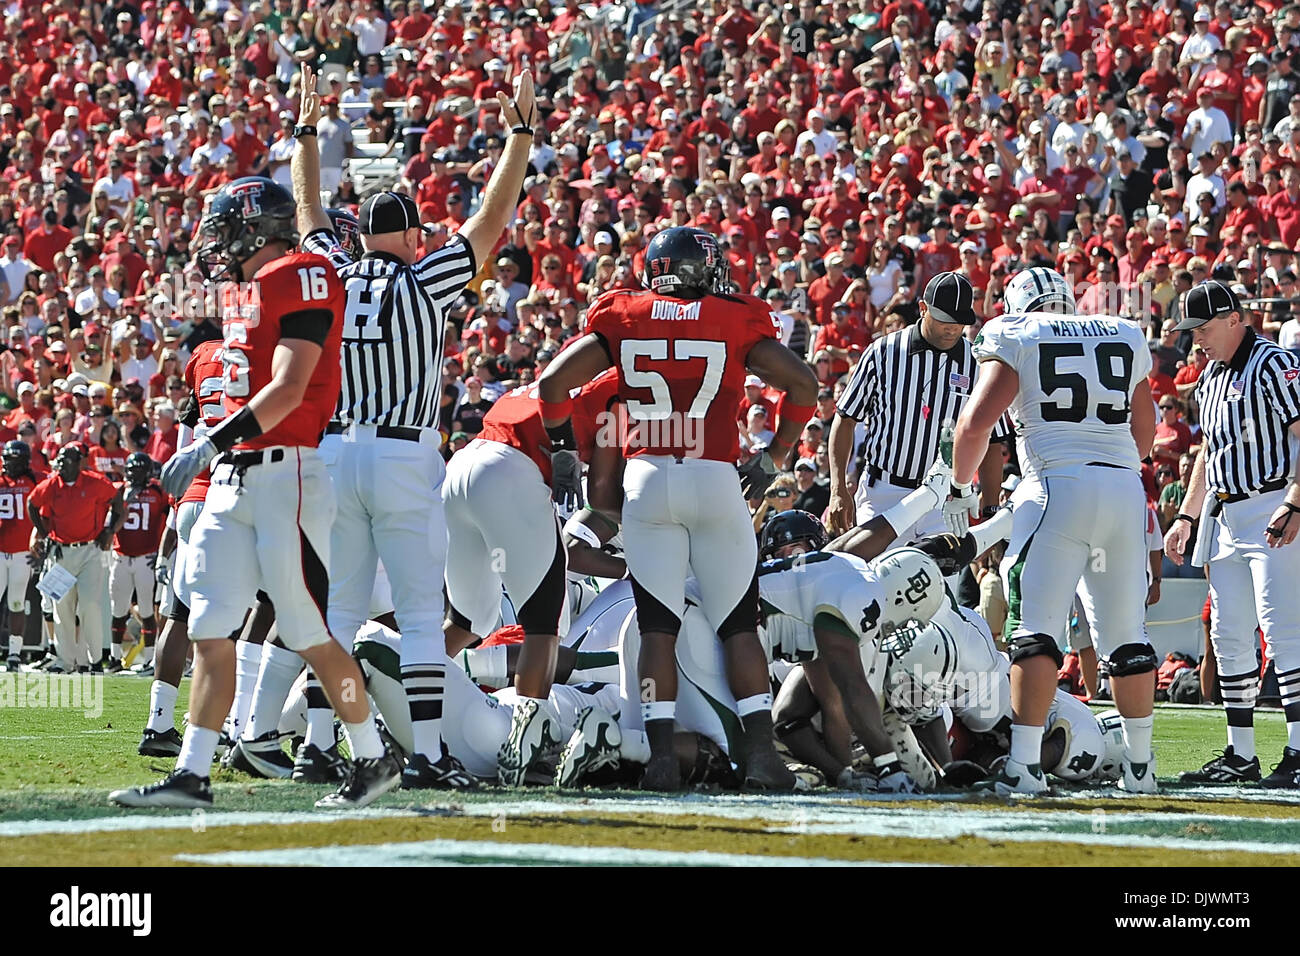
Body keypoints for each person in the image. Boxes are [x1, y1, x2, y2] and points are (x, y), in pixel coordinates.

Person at [111, 176, 398, 811]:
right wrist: (216, 449)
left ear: (257, 226)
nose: (216, 243)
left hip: (286, 475)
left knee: (310, 632)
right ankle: (191, 773)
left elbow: (291, 387)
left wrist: (207, 443)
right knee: (211, 626)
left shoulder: (302, 273)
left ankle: (373, 760)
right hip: (233, 480)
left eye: (223, 228)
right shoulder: (247, 289)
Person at [293, 65, 536, 788]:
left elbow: (309, 211)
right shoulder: (424, 278)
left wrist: (305, 131)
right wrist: (520, 135)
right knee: (422, 614)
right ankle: (427, 754)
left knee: (336, 609)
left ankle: (320, 741)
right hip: (403, 455)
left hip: (337, 454)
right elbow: (491, 221)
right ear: (411, 237)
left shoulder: (334, 269)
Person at [536, 224, 819, 792]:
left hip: (647, 479)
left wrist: (567, 452)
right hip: (713, 475)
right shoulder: (735, 316)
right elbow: (804, 385)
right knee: (738, 624)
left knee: (657, 627)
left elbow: (552, 383)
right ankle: (763, 756)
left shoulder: (625, 315)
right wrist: (776, 455)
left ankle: (662, 756)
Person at [950, 265, 1159, 795]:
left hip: (1054, 488)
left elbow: (976, 423)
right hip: (1122, 492)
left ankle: (1024, 765)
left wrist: (956, 484)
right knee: (1126, 635)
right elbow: (1145, 431)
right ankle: (1140, 769)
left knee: (1035, 628)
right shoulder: (1122, 331)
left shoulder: (1015, 332)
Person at [1166, 280, 1300, 789]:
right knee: (1228, 636)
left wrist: (1295, 502)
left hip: (1273, 505)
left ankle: (1298, 753)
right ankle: (1241, 754)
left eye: (1202, 327)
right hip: (1225, 515)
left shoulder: (1272, 364)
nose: (1196, 338)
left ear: (1233, 318)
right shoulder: (1208, 378)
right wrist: (1186, 515)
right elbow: (1208, 453)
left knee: (1284, 631)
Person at [828, 271, 1009, 537]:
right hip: (886, 494)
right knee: (878, 576)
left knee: (940, 578)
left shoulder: (978, 364)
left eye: (959, 322)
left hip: (944, 499)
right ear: (923, 309)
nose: (952, 328)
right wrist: (838, 488)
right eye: (944, 320)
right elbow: (845, 419)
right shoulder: (884, 352)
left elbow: (993, 439)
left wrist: (991, 508)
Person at [28, 443, 124, 672]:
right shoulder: (52, 483)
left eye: (66, 461)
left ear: (78, 462)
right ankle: (65, 660)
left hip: (90, 550)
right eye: (59, 461)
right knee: (62, 607)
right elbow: (32, 504)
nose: (61, 465)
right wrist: (44, 535)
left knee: (90, 605)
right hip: (60, 551)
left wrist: (109, 531)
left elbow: (117, 501)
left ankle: (94, 659)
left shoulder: (94, 482)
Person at [109, 452, 167, 674]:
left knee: (146, 610)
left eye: (137, 469)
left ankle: (150, 659)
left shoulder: (158, 492)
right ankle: (115, 657)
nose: (133, 474)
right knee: (118, 609)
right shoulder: (119, 490)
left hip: (146, 558)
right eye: (131, 469)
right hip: (121, 556)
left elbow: (169, 511)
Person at [0, 441, 42, 671]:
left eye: (14, 460)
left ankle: (14, 654)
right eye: (7, 458)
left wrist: (42, 541)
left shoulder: (35, 480)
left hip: (22, 554)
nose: (9, 464)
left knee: (16, 602)